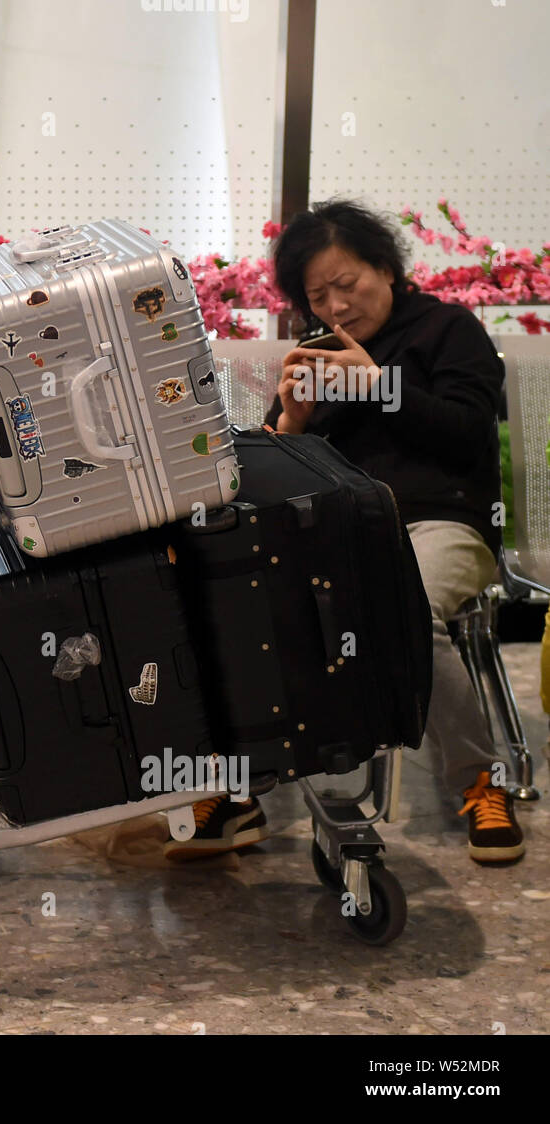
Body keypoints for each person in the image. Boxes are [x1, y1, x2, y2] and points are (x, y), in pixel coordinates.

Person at [168, 198, 521, 865]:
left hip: (438, 523)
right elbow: (268, 465)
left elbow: (468, 432)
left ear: (386, 268)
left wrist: (381, 385)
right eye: (318, 295)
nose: (336, 306)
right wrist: (292, 422)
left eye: (347, 283)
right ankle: (235, 788)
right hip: (331, 533)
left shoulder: (448, 331)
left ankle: (481, 780)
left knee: (407, 603)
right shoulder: (320, 356)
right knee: (226, 604)